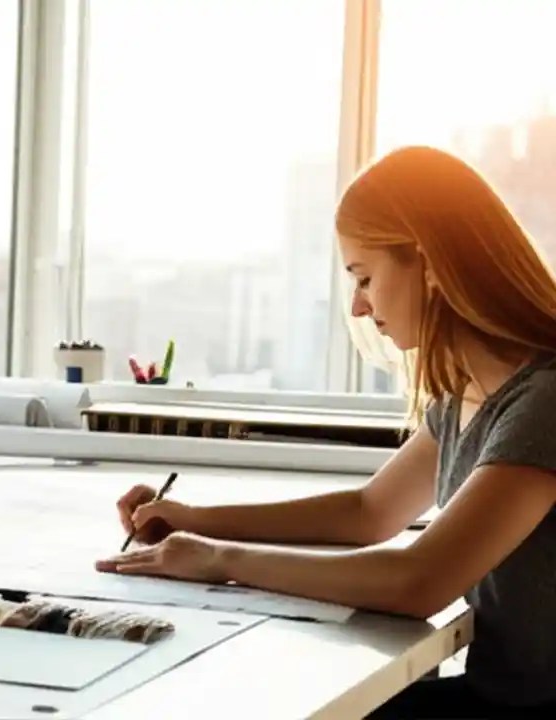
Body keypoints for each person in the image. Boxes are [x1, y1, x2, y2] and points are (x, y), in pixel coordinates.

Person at [96, 145, 556, 718]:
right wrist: (190, 521)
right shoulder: (467, 393)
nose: (360, 307)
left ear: (430, 264)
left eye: (365, 277)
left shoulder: (543, 400)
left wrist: (222, 559)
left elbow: (420, 581)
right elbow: (368, 512)